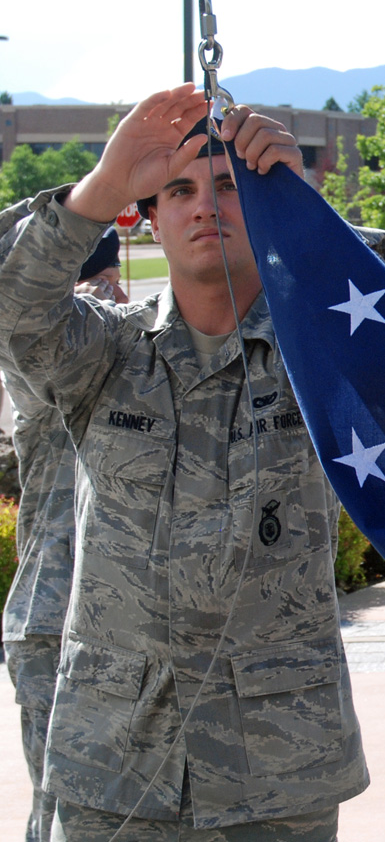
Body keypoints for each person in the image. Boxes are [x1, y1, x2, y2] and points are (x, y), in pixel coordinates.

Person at [0, 86, 370, 839]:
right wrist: (101, 187)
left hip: (278, 766)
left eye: (231, 187)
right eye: (180, 190)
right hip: (118, 759)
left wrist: (303, 212)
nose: (206, 206)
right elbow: (16, 310)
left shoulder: (325, 348)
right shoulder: (105, 354)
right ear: (151, 216)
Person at [1, 228, 132, 842]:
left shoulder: (132, 343)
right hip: (60, 618)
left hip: (114, 620)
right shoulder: (48, 350)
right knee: (67, 814)